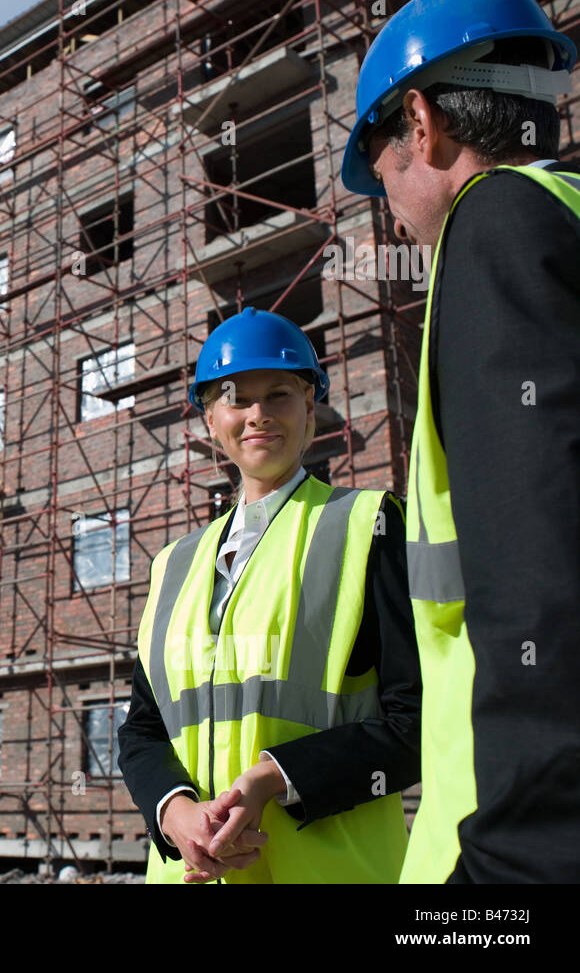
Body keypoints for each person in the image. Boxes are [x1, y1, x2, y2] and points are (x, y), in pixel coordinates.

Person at [341, 0, 580, 884]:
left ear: (422, 121)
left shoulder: (495, 227)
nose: (389, 202)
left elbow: (537, 567)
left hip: (511, 840)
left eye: (383, 169)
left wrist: (519, 858)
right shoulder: (564, 216)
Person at [117, 308, 421, 883]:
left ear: (310, 410)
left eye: (279, 394)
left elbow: (417, 720)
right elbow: (143, 727)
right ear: (211, 420)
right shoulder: (173, 565)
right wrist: (175, 811)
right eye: (236, 398)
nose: (258, 415)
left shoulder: (367, 527)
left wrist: (273, 779)